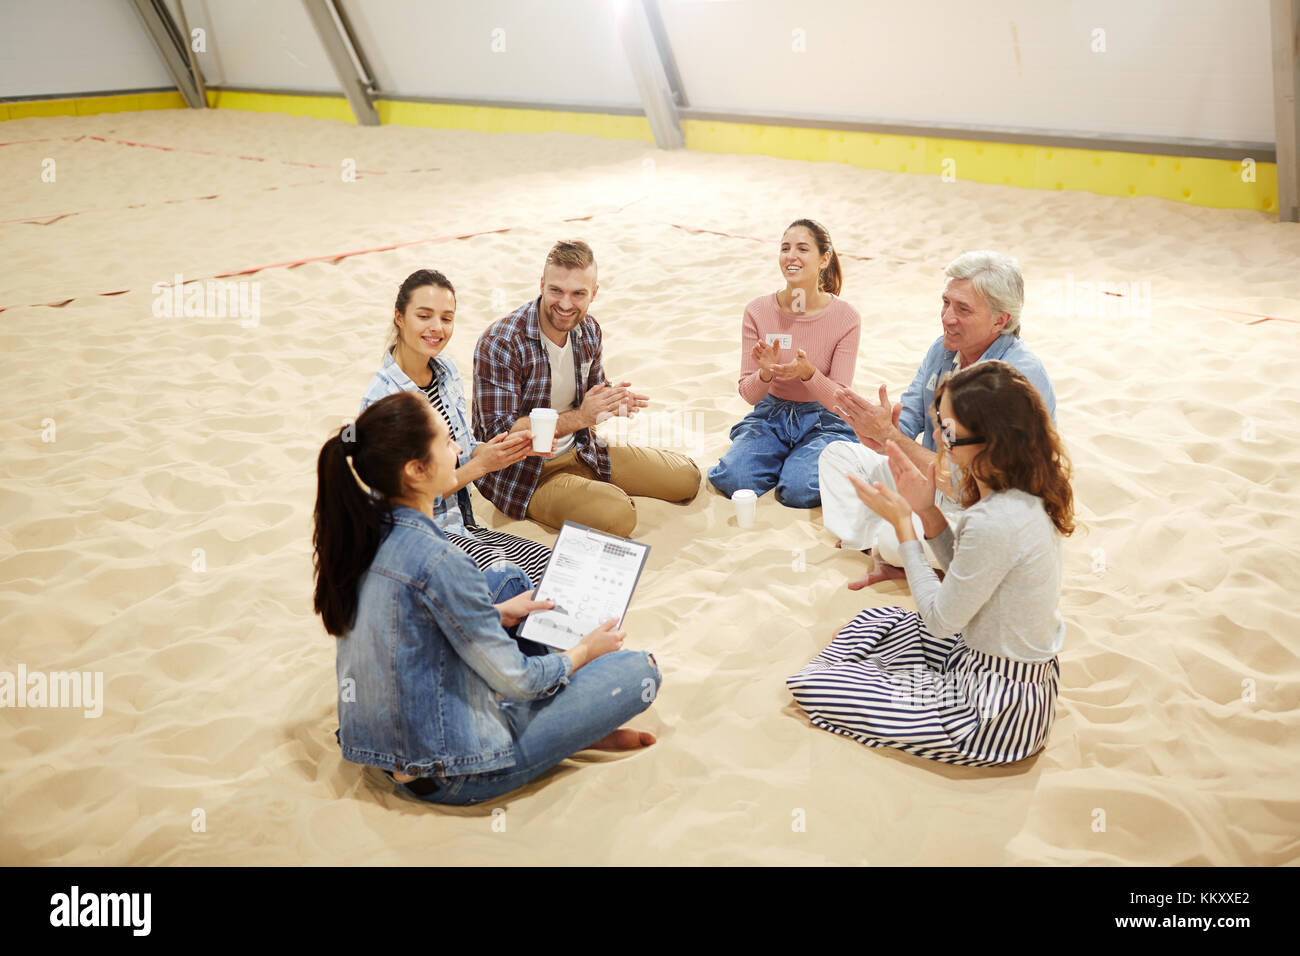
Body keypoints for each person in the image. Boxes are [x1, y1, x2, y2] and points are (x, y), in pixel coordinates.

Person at [313, 390, 661, 805]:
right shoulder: (439, 560)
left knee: (508, 581)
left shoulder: (364, 531)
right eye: (446, 442)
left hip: (384, 748)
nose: (458, 448)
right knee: (640, 670)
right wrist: (586, 651)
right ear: (415, 471)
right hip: (453, 770)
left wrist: (493, 613)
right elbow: (519, 681)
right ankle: (571, 728)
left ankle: (570, 723)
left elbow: (411, 625)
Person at [788, 361, 1073, 767]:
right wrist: (928, 512)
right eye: (939, 421)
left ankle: (874, 678)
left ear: (988, 442)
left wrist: (905, 523)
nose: (936, 436)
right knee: (877, 620)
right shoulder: (1019, 491)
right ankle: (880, 673)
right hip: (984, 659)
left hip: (993, 708)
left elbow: (940, 621)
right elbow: (965, 571)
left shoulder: (995, 518)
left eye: (949, 432)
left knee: (816, 685)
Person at [817, 250, 1056, 589]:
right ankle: (883, 547)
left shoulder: (1014, 377)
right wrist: (879, 430)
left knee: (892, 535)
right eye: (946, 303)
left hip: (983, 508)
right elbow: (908, 422)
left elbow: (969, 483)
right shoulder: (942, 349)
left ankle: (891, 547)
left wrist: (892, 439)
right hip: (931, 484)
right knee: (835, 456)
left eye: (963, 309)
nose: (947, 317)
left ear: (1000, 320)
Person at [473, 239, 701, 537]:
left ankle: (588, 488)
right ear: (541, 285)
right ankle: (582, 495)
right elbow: (498, 434)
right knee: (618, 514)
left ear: (593, 293)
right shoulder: (501, 342)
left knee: (687, 479)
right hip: (527, 475)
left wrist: (614, 401)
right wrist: (581, 417)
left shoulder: (589, 330)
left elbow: (593, 396)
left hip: (585, 450)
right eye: (556, 290)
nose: (566, 304)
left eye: (578, 293)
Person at [361, 269, 553, 592]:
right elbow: (408, 498)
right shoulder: (384, 399)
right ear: (399, 317)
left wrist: (502, 450)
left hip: (462, 525)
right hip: (416, 539)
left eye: (446, 318)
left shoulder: (446, 370)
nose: (437, 328)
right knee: (507, 581)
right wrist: (481, 466)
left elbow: (464, 446)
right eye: (424, 316)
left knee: (549, 563)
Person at [706, 219, 862, 508]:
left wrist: (809, 374)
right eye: (785, 248)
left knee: (798, 492)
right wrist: (764, 373)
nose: (791, 256)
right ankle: (786, 457)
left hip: (823, 421)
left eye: (803, 249)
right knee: (733, 480)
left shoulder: (846, 317)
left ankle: (802, 462)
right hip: (770, 416)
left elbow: (838, 400)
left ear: (823, 259)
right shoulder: (757, 310)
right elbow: (748, 394)